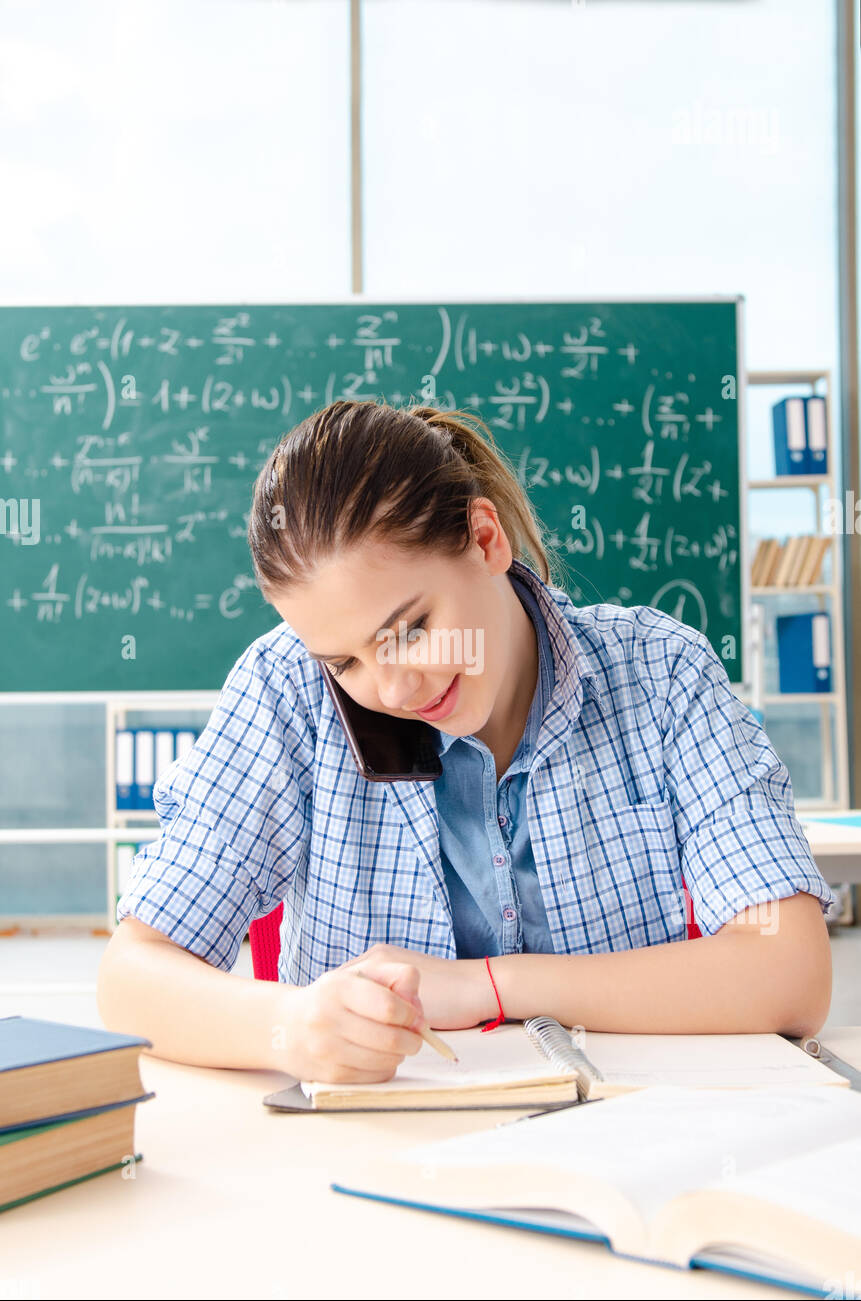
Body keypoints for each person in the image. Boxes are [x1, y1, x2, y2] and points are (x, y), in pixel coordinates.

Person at [98, 399, 834, 1083]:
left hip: (630, 1127)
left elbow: (790, 971)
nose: (394, 690)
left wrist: (489, 986)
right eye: (346, 662)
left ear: (485, 540)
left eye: (409, 629)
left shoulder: (661, 673)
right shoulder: (286, 687)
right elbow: (131, 977)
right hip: (371, 1147)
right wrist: (290, 1025)